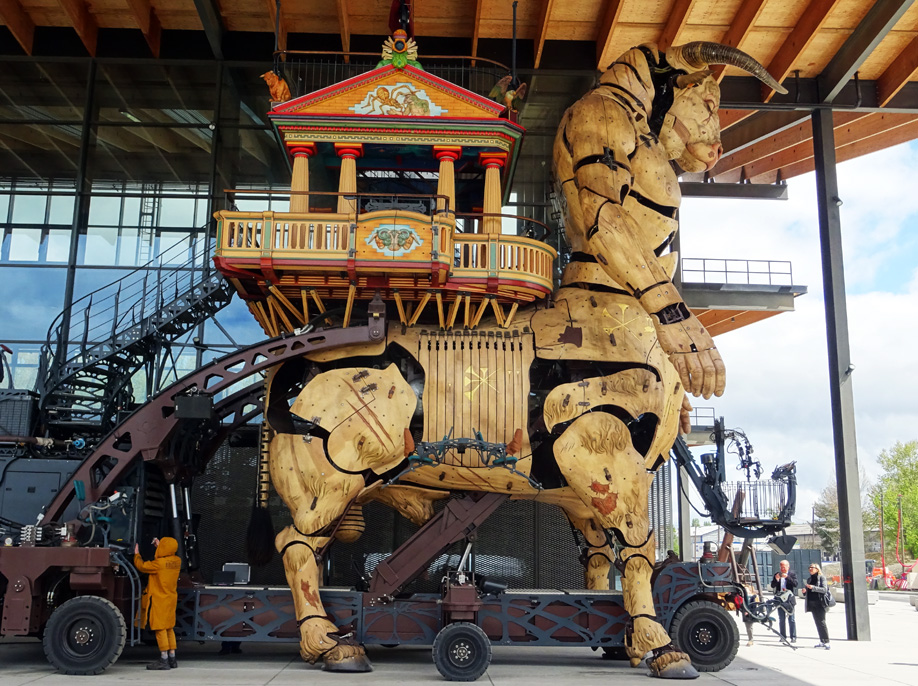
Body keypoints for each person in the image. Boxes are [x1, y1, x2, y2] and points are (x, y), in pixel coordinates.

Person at [134, 537, 182, 669]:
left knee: (159, 628)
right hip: (170, 599)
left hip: (159, 600)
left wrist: (137, 554)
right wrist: (160, 546)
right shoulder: (177, 561)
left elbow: (142, 566)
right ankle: (172, 658)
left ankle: (163, 659)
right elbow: (165, 556)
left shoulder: (158, 564)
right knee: (169, 628)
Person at [802, 562, 831, 649]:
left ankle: (827, 642)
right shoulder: (809, 579)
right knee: (817, 623)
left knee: (822, 622)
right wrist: (805, 592)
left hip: (820, 603)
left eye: (812, 567)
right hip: (812, 604)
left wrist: (813, 587)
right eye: (809, 567)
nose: (810, 569)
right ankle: (822, 641)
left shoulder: (821, 578)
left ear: (817, 569)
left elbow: (824, 590)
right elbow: (809, 592)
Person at [769, 559, 797, 643]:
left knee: (791, 618)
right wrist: (776, 579)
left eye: (784, 567)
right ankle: (782, 636)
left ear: (788, 567)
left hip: (789, 599)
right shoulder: (777, 574)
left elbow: (795, 584)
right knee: (781, 619)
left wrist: (787, 577)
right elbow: (772, 585)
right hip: (780, 599)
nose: (782, 569)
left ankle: (793, 636)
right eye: (781, 567)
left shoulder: (792, 574)